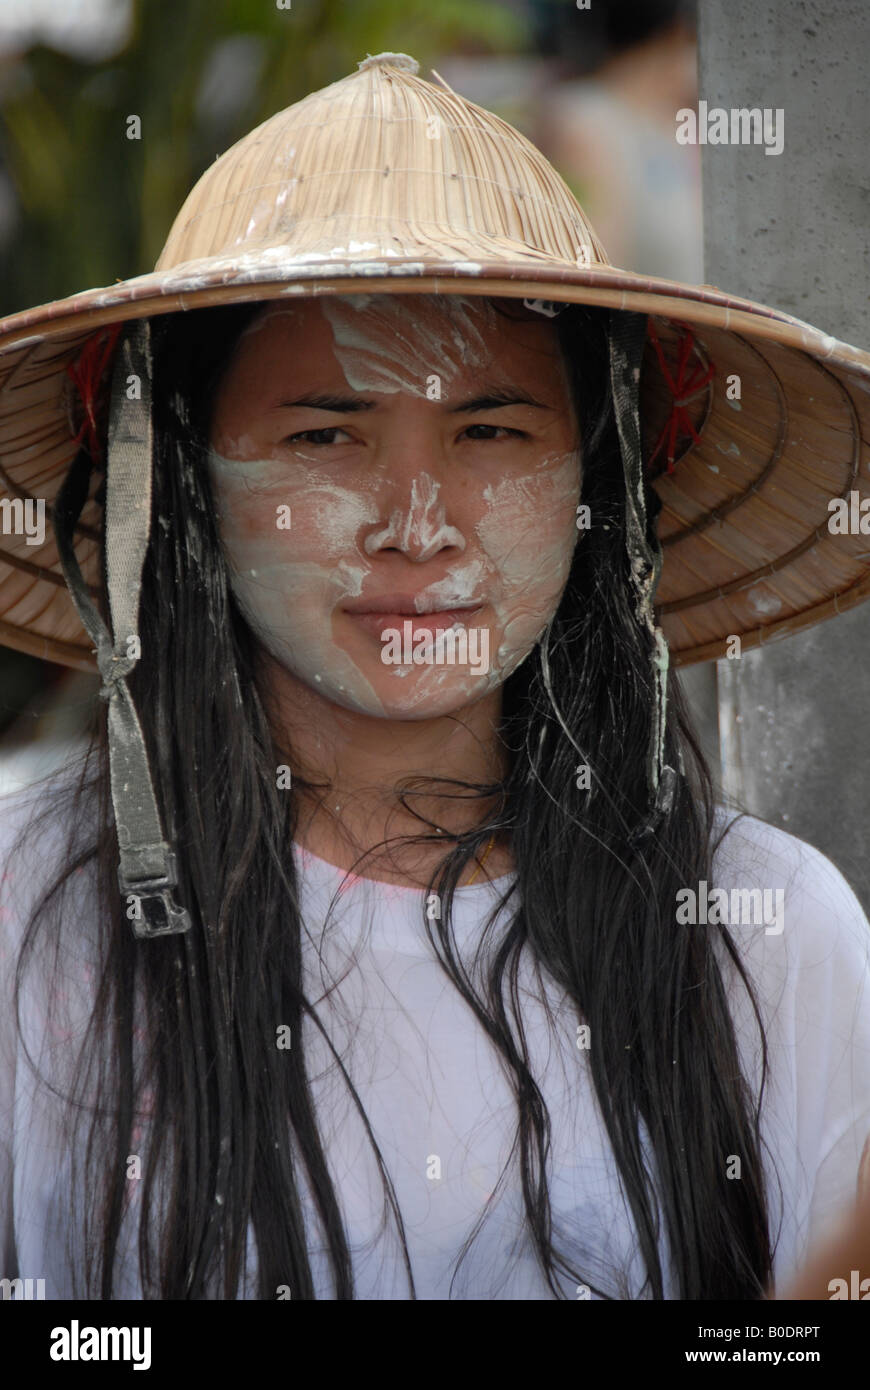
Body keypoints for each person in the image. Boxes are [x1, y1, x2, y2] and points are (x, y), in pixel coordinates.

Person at [1, 51, 869, 1302]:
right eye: (325, 433)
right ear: (182, 483)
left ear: (597, 479)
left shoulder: (769, 932)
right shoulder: (31, 914)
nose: (419, 525)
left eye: (491, 432)